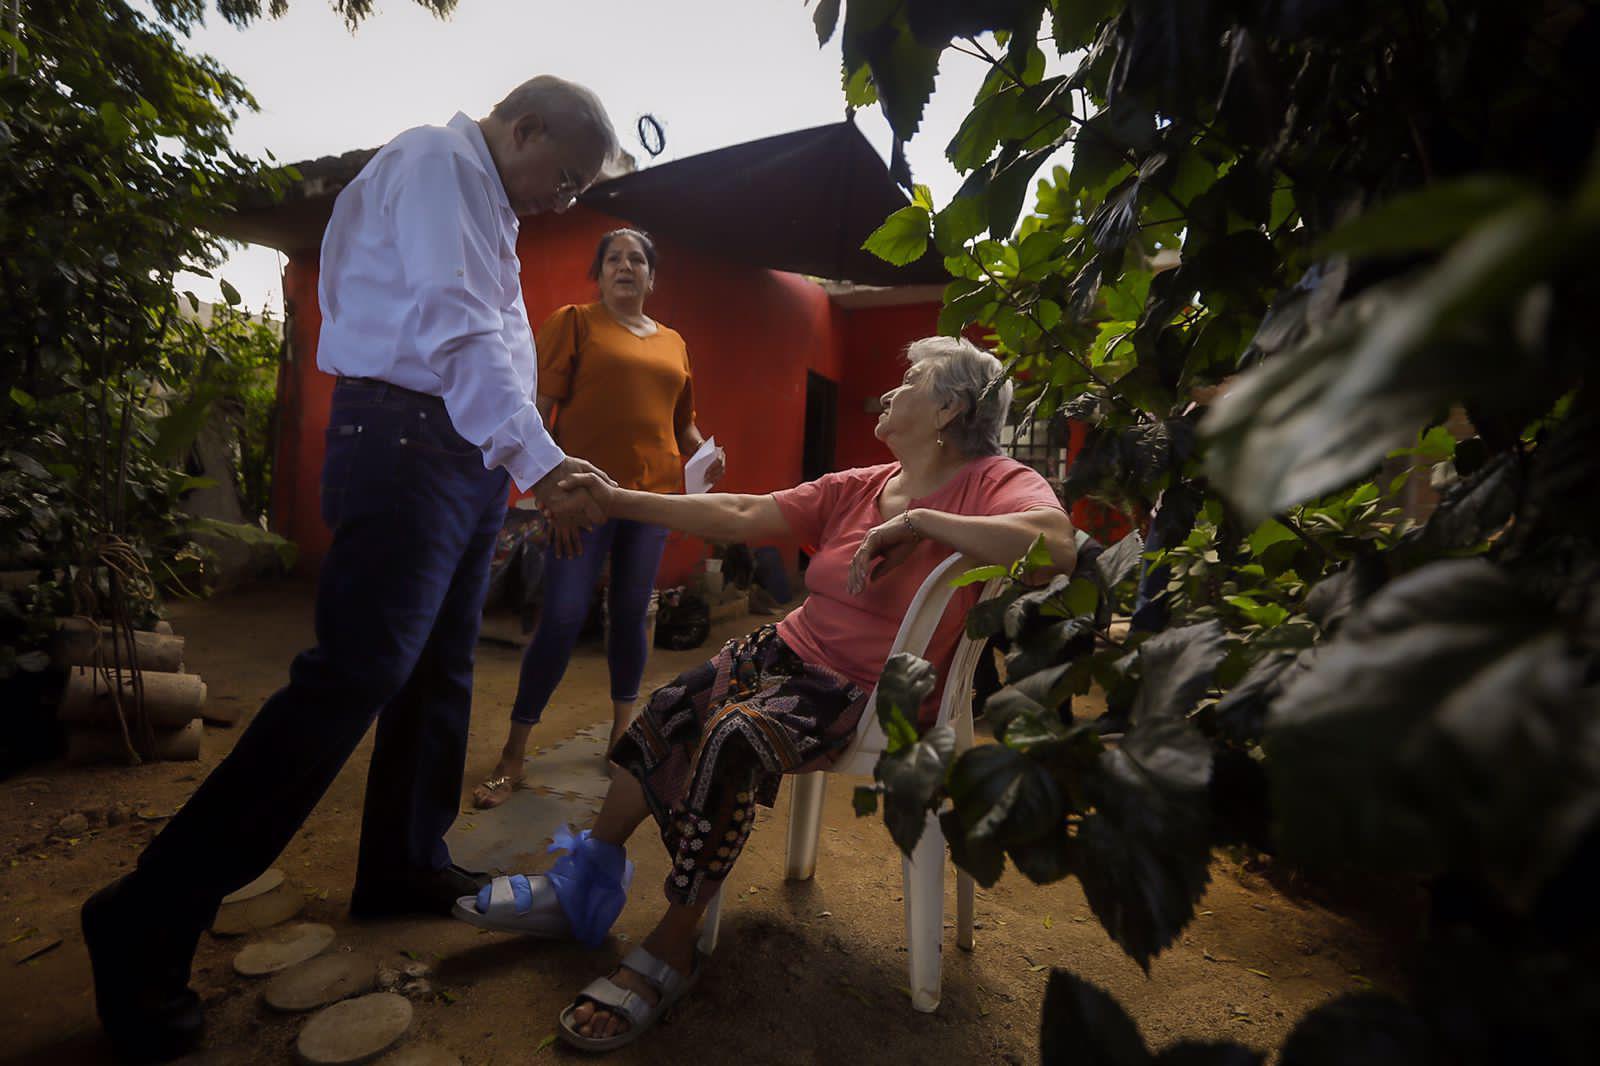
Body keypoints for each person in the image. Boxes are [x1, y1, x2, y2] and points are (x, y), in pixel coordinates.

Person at [80, 76, 621, 1063]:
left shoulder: (487, 203)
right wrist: (540, 465)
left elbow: (495, 342)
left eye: (583, 187)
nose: (570, 199)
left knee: (439, 668)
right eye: (571, 175)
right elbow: (457, 328)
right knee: (355, 675)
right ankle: (147, 911)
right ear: (527, 127)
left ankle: (405, 861)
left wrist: (519, 458)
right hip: (405, 440)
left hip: (456, 457)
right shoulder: (437, 164)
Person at [454, 336, 1079, 1052]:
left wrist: (920, 523)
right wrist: (616, 498)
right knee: (668, 710)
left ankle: (673, 943)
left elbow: (1057, 543)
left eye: (910, 381)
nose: (889, 392)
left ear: (949, 407)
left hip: (868, 693)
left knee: (732, 736)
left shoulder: (994, 481)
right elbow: (745, 513)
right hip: (790, 649)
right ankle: (584, 885)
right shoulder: (866, 483)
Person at [473, 228, 723, 810]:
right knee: (561, 615)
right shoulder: (575, 322)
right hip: (582, 495)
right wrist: (547, 491)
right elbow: (539, 411)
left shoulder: (674, 343)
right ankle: (514, 751)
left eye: (638, 259)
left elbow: (681, 425)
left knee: (633, 613)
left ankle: (621, 736)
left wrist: (706, 453)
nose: (626, 266)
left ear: (652, 277)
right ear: (601, 272)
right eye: (614, 258)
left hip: (652, 499)